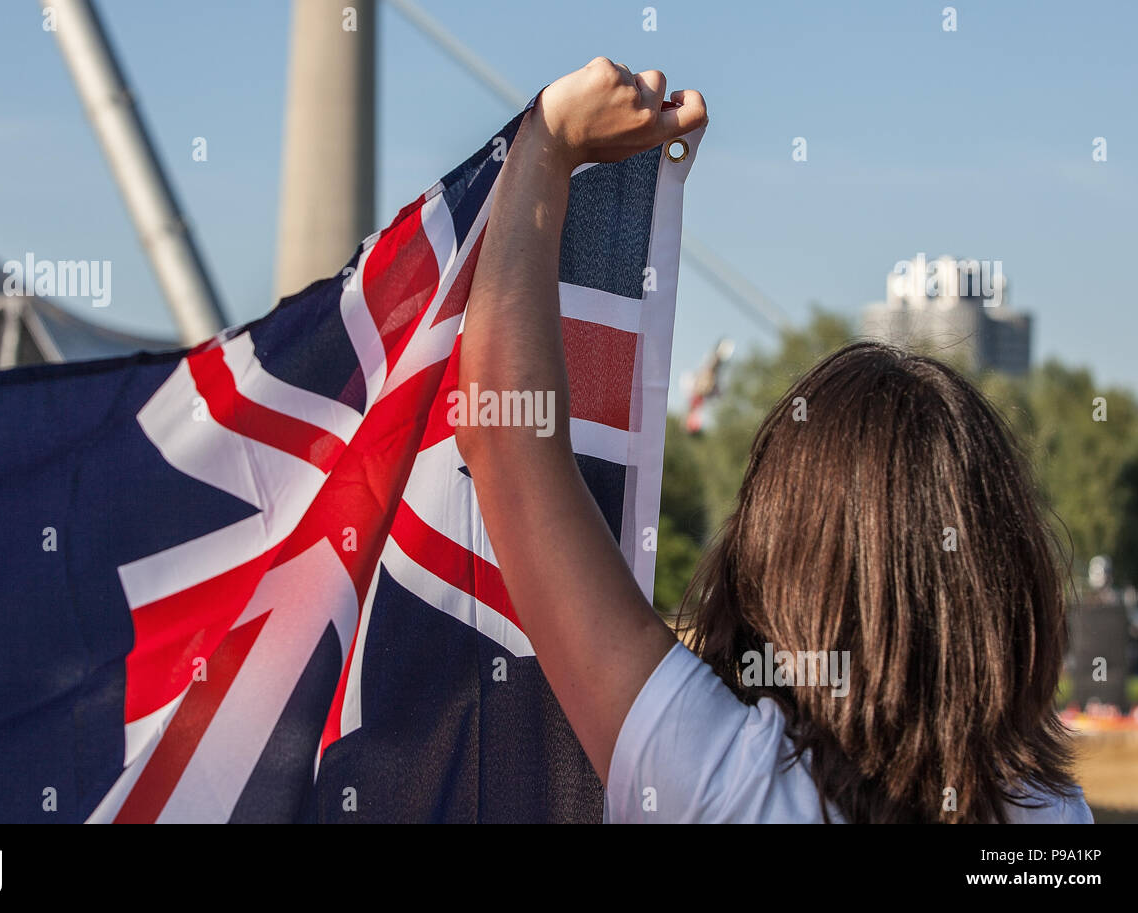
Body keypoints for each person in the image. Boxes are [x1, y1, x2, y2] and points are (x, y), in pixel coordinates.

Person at [455, 57, 1092, 823]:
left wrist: (549, 141)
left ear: (778, 556)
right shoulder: (1056, 814)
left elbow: (506, 435)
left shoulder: (723, 777)